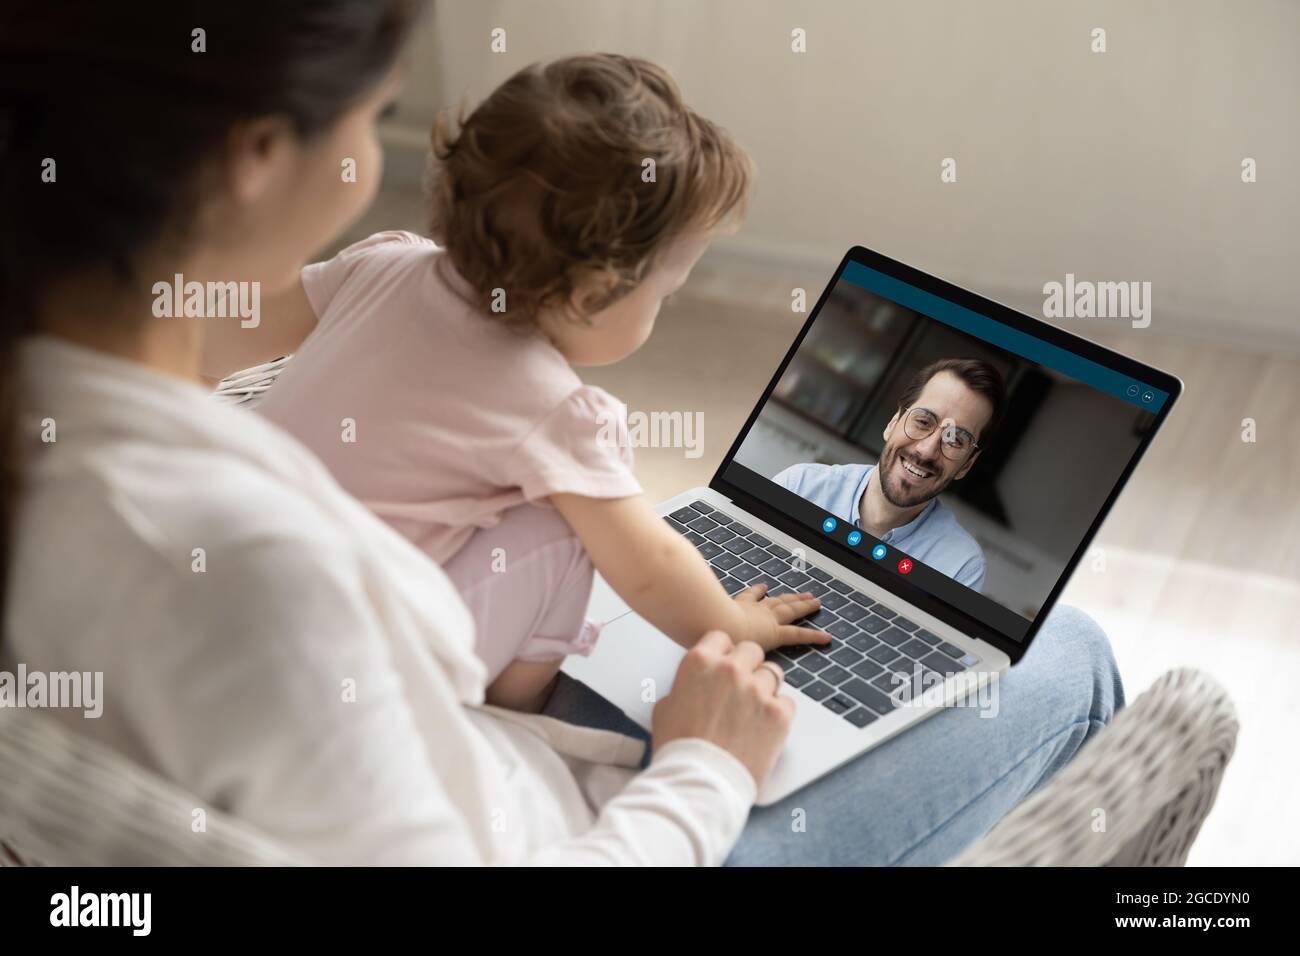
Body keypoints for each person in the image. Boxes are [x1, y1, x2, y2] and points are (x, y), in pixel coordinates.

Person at [0, 2, 1123, 866]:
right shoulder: (265, 574)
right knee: (1069, 654)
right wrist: (704, 759)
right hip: (573, 814)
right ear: (255, 155)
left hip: (478, 737)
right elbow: (641, 557)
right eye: (371, 110)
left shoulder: (76, 446)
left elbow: (254, 323)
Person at [252, 55, 829, 714]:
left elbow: (237, 333)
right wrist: (737, 625)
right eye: (665, 294)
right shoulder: (561, 416)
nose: (665, 306)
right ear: (595, 293)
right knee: (562, 527)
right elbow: (650, 567)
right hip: (363, 670)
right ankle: (514, 710)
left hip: (258, 579)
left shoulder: (384, 262)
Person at [775, 358, 1003, 592]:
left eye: (955, 439)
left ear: (967, 465)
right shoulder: (800, 486)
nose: (926, 451)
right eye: (923, 421)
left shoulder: (960, 566)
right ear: (893, 423)